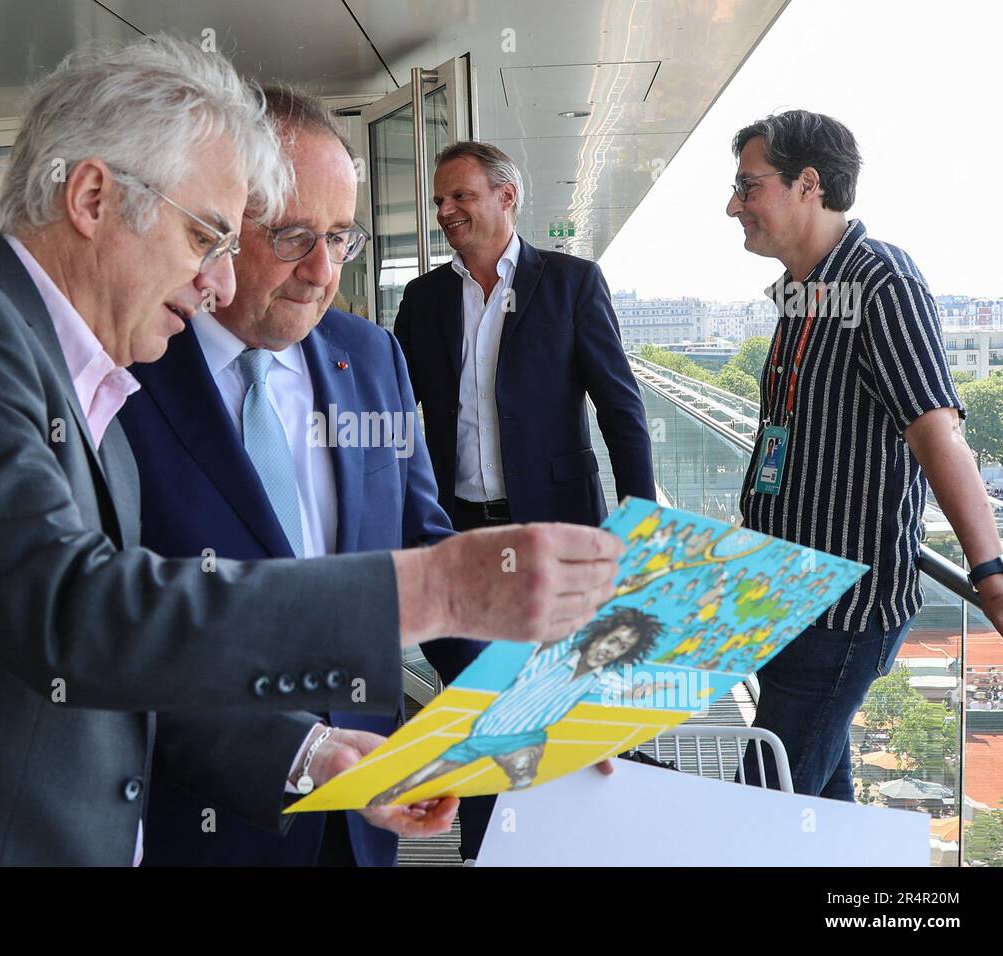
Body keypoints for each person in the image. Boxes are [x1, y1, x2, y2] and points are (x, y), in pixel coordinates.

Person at [0, 37, 623, 867]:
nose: (219, 281)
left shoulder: (73, 374)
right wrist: (437, 588)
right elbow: (77, 614)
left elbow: (120, 658)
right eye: (206, 236)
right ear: (93, 197)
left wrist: (307, 750)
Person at [117, 87, 483, 867]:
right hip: (206, 823)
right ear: (217, 226)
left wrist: (535, 709)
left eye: (341, 237)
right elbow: (113, 628)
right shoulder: (127, 370)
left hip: (367, 812)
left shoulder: (372, 355)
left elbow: (421, 547)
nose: (322, 271)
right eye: (291, 236)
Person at [726, 109, 1003, 801]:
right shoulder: (804, 292)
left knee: (761, 809)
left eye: (749, 186)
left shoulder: (882, 282)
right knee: (820, 806)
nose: (733, 205)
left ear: (808, 185)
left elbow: (935, 431)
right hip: (782, 593)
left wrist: (991, 573)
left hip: (840, 607)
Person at [393, 139, 656, 857]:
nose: (444, 211)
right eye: (438, 200)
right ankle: (487, 849)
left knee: (565, 702)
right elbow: (390, 418)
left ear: (507, 197)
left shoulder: (571, 284)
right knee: (488, 703)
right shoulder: (425, 300)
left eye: (460, 197)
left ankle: (568, 843)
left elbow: (621, 411)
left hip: (557, 539)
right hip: (462, 543)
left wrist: (643, 530)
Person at [367, 607, 659, 808]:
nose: (613, 647)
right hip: (495, 725)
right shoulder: (554, 651)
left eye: (622, 646)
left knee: (536, 791)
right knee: (438, 770)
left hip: (536, 740)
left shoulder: (600, 677)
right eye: (613, 639)